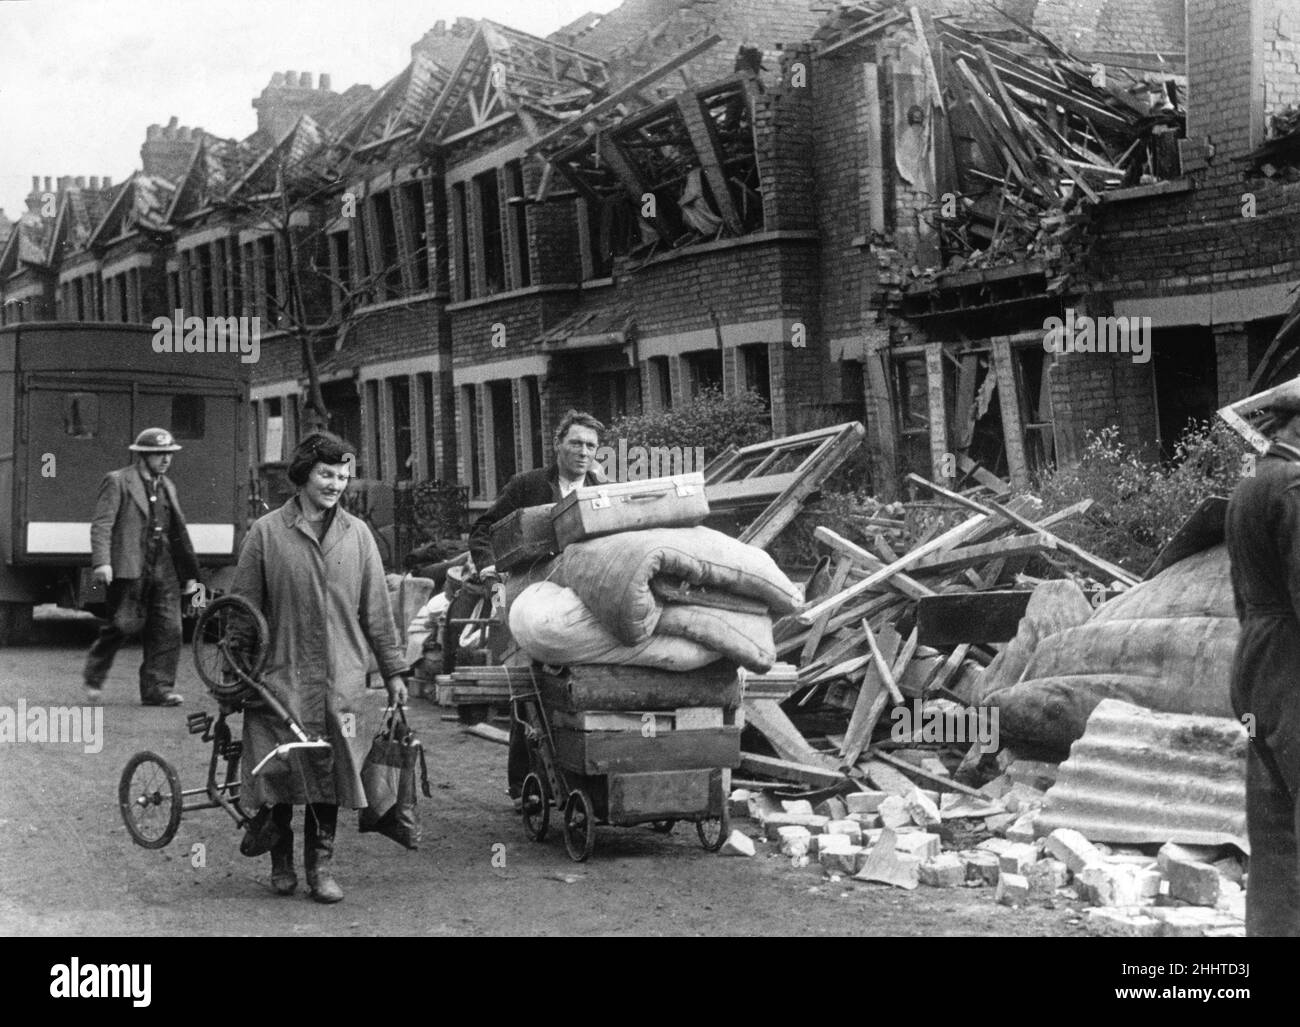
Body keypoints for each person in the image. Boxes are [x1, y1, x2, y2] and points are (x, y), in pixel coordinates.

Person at [231, 431, 408, 903]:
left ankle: (320, 867)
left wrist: (393, 672)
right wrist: (234, 677)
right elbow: (243, 611)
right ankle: (281, 861)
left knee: (328, 770)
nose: (335, 484)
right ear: (304, 475)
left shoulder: (358, 535)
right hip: (279, 675)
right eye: (326, 474)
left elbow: (377, 612)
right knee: (279, 769)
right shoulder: (267, 533)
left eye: (343, 476)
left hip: (340, 678)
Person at [467, 410, 606, 804]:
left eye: (591, 446)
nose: (583, 452)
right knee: (529, 689)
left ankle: (578, 780)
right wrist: (491, 573)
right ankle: (524, 784)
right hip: (526, 596)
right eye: (575, 443)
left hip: (576, 603)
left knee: (573, 688)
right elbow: (483, 529)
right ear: (558, 444)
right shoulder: (527, 486)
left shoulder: (601, 491)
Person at [1226, 380, 1300, 936]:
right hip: (1291, 665)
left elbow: (1239, 592)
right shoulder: (1294, 486)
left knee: (1272, 824)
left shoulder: (1249, 482)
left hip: (1254, 660)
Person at [84, 427, 201, 707]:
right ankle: (94, 673)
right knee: (123, 625)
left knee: (169, 628)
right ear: (143, 456)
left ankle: (158, 689)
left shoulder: (167, 486)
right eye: (159, 454)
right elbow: (102, 524)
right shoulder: (118, 481)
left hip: (164, 565)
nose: (166, 459)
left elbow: (178, 532)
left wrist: (188, 574)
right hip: (131, 564)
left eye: (169, 454)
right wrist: (103, 562)